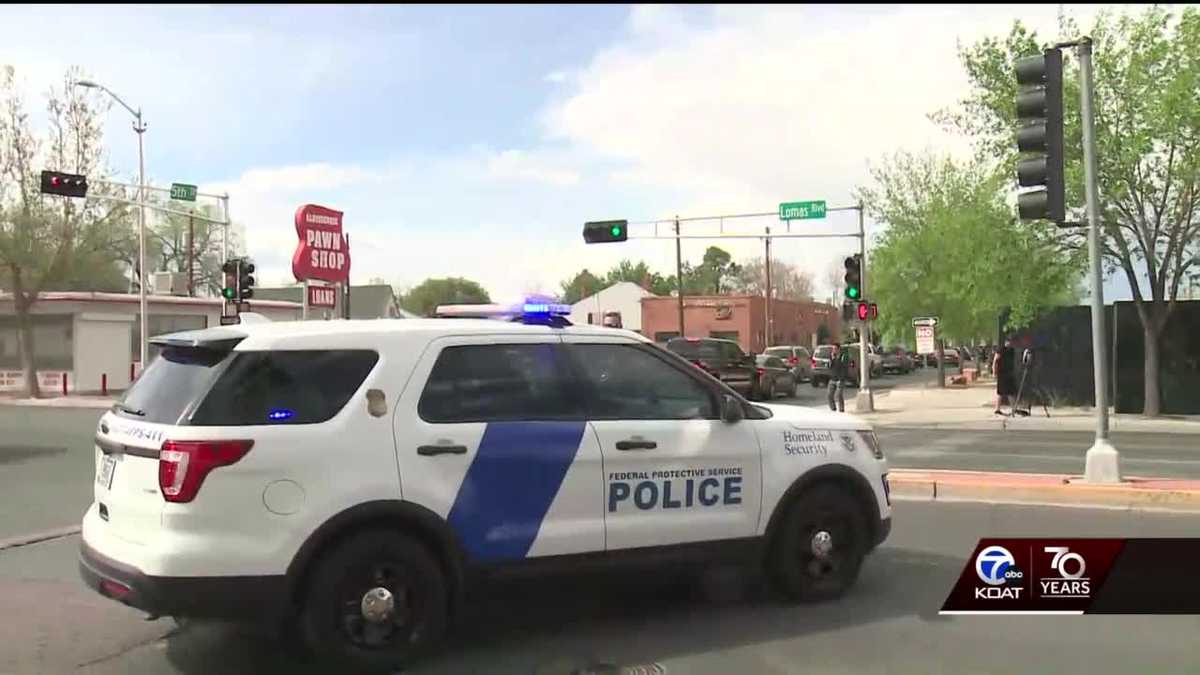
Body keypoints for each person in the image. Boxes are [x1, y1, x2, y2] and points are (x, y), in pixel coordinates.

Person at [993, 338, 1017, 414]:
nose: (1009, 344)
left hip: (1009, 373)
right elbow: (995, 361)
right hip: (1002, 373)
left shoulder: (1012, 351)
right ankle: (997, 409)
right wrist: (994, 372)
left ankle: (1013, 408)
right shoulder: (1001, 350)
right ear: (1005, 342)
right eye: (1008, 342)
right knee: (1000, 392)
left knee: (1010, 392)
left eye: (1010, 342)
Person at [828, 343, 851, 412]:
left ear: (838, 349)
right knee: (829, 394)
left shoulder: (843, 356)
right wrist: (832, 359)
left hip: (840, 379)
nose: (833, 350)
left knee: (839, 394)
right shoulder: (832, 357)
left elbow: (844, 367)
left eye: (835, 349)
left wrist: (842, 379)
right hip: (832, 378)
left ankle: (841, 408)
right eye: (832, 349)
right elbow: (829, 366)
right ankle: (833, 407)